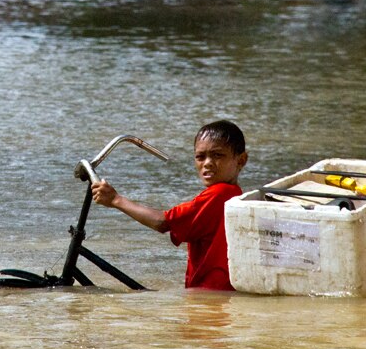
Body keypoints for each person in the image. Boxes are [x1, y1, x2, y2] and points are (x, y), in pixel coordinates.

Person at [91, 120, 248, 291]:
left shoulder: (219, 194)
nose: (207, 163)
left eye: (217, 155)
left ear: (241, 160)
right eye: (200, 157)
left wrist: (116, 200)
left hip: (209, 293)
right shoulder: (234, 193)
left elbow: (162, 222)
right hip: (217, 293)